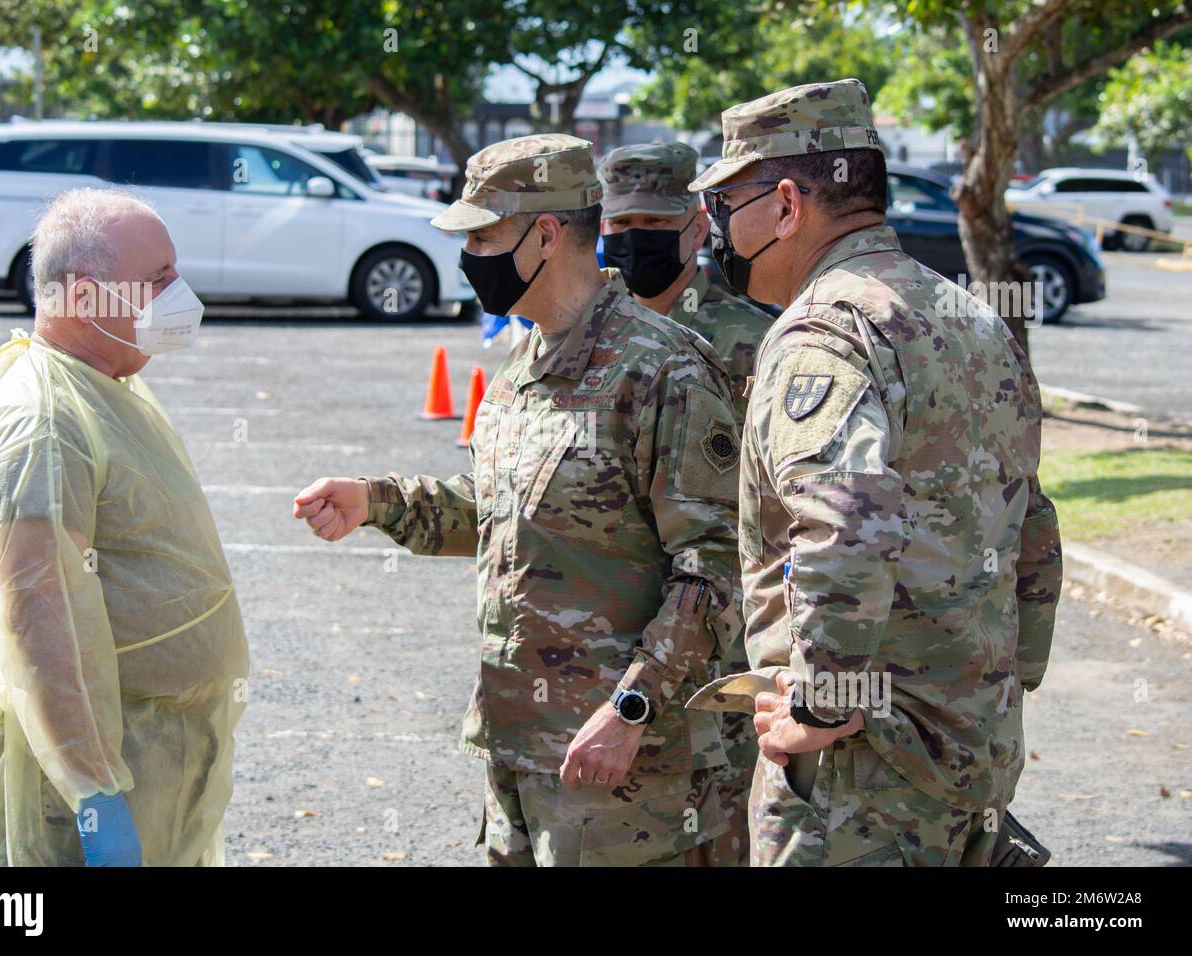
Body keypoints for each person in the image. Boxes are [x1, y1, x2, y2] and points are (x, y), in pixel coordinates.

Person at [294, 134, 744, 866]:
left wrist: (633, 706)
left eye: (482, 236)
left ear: (544, 234)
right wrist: (376, 501)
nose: (469, 256)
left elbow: (715, 566)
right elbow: (497, 509)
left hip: (628, 772)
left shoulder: (662, 371)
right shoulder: (524, 360)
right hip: (518, 747)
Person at [686, 79, 1063, 866]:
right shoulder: (974, 319)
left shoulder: (823, 333)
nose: (712, 226)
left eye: (726, 203)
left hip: (864, 779)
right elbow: (1033, 524)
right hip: (971, 754)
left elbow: (844, 522)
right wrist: (1003, 687)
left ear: (786, 204)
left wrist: (822, 705)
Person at [0, 188, 249, 866]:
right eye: (157, 279)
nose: (180, 296)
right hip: (90, 783)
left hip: (150, 756)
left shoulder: (101, 380)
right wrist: (93, 792)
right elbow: (39, 622)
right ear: (84, 299)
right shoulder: (42, 420)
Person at [598, 141, 777, 866]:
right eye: (620, 224)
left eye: (654, 222)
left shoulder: (756, 341)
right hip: (608, 650)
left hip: (720, 660)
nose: (633, 239)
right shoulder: (588, 340)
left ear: (699, 228)